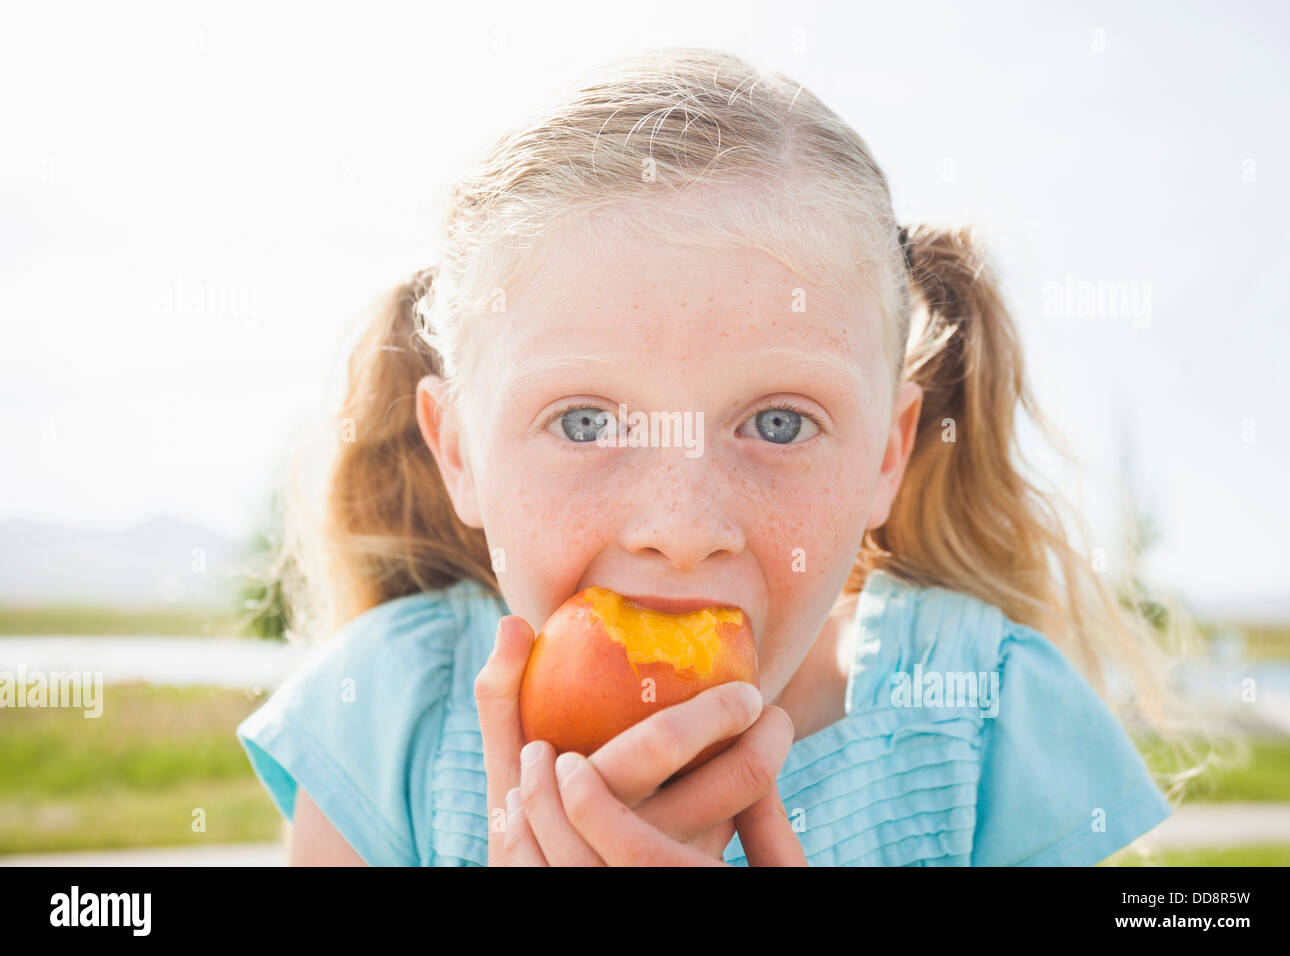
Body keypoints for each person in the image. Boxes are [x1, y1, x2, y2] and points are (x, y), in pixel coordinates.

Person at [237, 47, 1212, 866]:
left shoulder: (989, 722)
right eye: (583, 422)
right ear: (458, 453)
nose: (682, 527)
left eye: (778, 424)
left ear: (886, 453)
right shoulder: (385, 727)